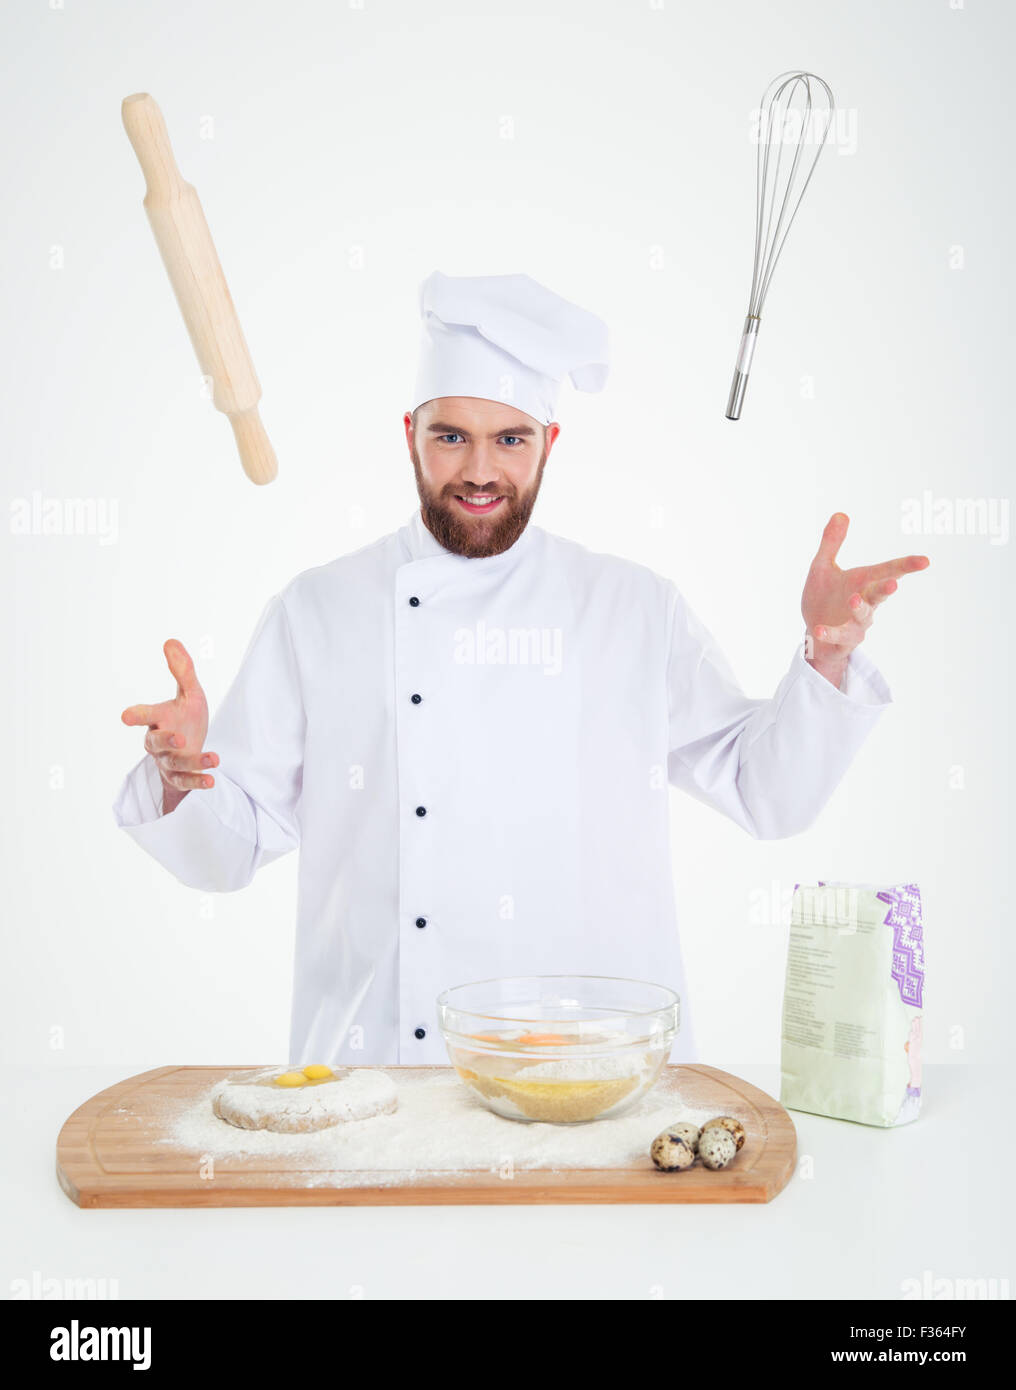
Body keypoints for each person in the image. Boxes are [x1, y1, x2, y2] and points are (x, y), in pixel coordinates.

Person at [113, 270, 930, 1065]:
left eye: (510, 439)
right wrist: (186, 777)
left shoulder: (633, 608)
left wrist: (828, 654)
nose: (478, 471)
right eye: (451, 436)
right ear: (409, 435)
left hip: (597, 1078)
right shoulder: (318, 610)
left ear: (550, 444)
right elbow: (230, 851)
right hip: (378, 1077)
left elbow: (767, 792)